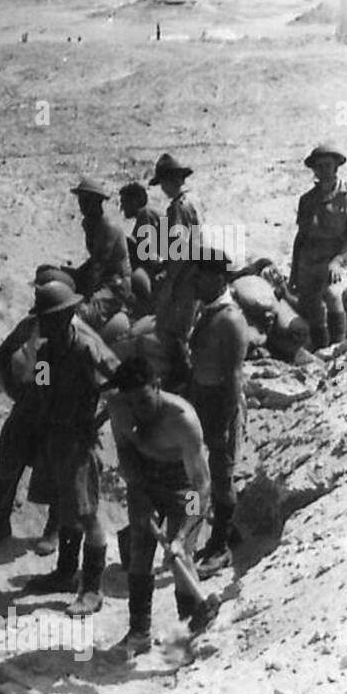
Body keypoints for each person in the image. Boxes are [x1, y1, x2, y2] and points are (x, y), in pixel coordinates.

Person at [105, 356, 221, 657]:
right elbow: (126, 452)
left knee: (181, 556)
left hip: (183, 483)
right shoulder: (119, 409)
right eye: (131, 402)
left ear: (157, 386)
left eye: (144, 400)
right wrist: (139, 493)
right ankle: (138, 633)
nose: (138, 410)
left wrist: (181, 536)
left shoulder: (182, 419)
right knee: (140, 553)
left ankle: (190, 630)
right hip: (144, 477)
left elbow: (202, 487)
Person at [21, 282, 119, 616]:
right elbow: (42, 388)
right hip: (56, 437)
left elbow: (119, 382)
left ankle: (92, 589)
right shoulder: (47, 353)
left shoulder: (85, 349)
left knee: (87, 512)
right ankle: (65, 573)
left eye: (49, 318)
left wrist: (98, 419)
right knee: (65, 507)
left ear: (66, 316)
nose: (44, 324)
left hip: (80, 439)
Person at [0, 266, 73, 556]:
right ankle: (0, 523)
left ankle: (53, 529)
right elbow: (6, 351)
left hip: (59, 407)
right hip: (32, 399)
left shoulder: (77, 334)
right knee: (8, 460)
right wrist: (13, 388)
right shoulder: (31, 324)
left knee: (55, 468)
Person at [188, 253, 248, 574]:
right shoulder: (210, 311)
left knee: (221, 477)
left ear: (219, 279)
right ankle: (223, 530)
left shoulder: (230, 320)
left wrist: (223, 425)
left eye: (201, 276)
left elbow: (232, 377)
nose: (195, 281)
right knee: (202, 473)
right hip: (202, 398)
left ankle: (220, 546)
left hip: (220, 405)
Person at [290, 144, 347, 351]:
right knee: (312, 306)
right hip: (308, 261)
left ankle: (338, 347)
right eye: (318, 166)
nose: (323, 170)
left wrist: (339, 260)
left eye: (327, 165)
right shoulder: (307, 200)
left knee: (332, 295)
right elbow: (301, 238)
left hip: (333, 261)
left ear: (336, 167)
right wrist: (293, 273)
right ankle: (320, 350)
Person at [149, 153, 201, 387]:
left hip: (185, 275)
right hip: (198, 270)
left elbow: (180, 248)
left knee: (172, 330)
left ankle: (182, 379)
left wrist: (170, 281)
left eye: (163, 183)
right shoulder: (194, 200)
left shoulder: (178, 208)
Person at [68, 177, 131, 326]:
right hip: (100, 278)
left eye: (86, 201)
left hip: (115, 285)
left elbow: (99, 266)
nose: (82, 205)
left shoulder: (107, 227)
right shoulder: (89, 224)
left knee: (81, 315)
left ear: (97, 202)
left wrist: (85, 296)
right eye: (81, 200)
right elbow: (93, 260)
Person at [120, 181, 163, 314]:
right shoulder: (148, 215)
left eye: (124, 202)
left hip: (160, 270)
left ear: (134, 201)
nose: (121, 208)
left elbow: (148, 253)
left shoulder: (146, 214)